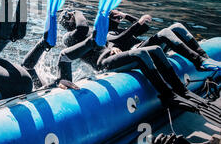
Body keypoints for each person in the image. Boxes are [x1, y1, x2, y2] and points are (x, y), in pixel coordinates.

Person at [55, 8, 221, 127]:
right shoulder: (70, 37)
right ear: (67, 23)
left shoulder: (94, 32)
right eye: (69, 17)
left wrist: (118, 32)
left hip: (113, 56)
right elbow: (84, 28)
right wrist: (74, 10)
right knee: (142, 53)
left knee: (155, 49)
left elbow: (109, 40)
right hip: (104, 63)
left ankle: (181, 90)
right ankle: (168, 94)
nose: (74, 18)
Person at [107, 9, 221, 72]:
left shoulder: (123, 29)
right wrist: (138, 22)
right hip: (139, 54)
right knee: (164, 32)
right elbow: (120, 39)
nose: (118, 19)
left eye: (119, 17)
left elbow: (145, 28)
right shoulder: (108, 34)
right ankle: (199, 61)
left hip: (149, 48)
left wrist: (126, 15)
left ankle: (204, 58)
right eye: (115, 17)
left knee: (177, 26)